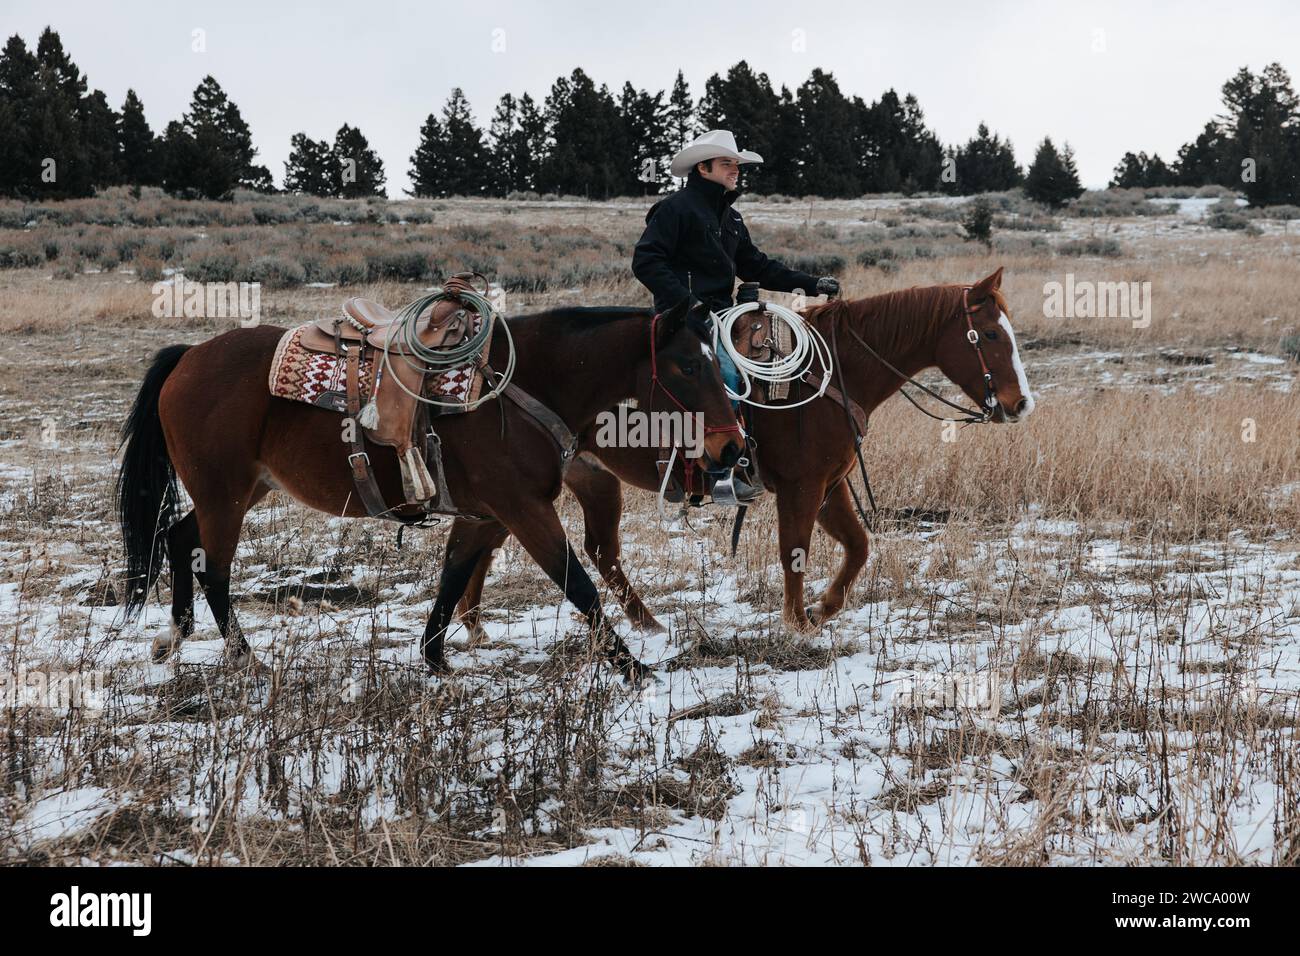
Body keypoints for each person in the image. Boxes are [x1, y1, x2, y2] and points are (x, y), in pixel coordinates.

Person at [632, 129, 840, 502]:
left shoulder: (731, 218)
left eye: (737, 164)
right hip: (681, 320)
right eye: (728, 163)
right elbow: (647, 260)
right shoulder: (675, 209)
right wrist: (686, 303)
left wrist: (812, 283)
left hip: (722, 314)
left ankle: (760, 456)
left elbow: (757, 265)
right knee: (724, 374)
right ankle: (717, 471)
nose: (736, 170)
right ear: (704, 167)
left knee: (772, 363)